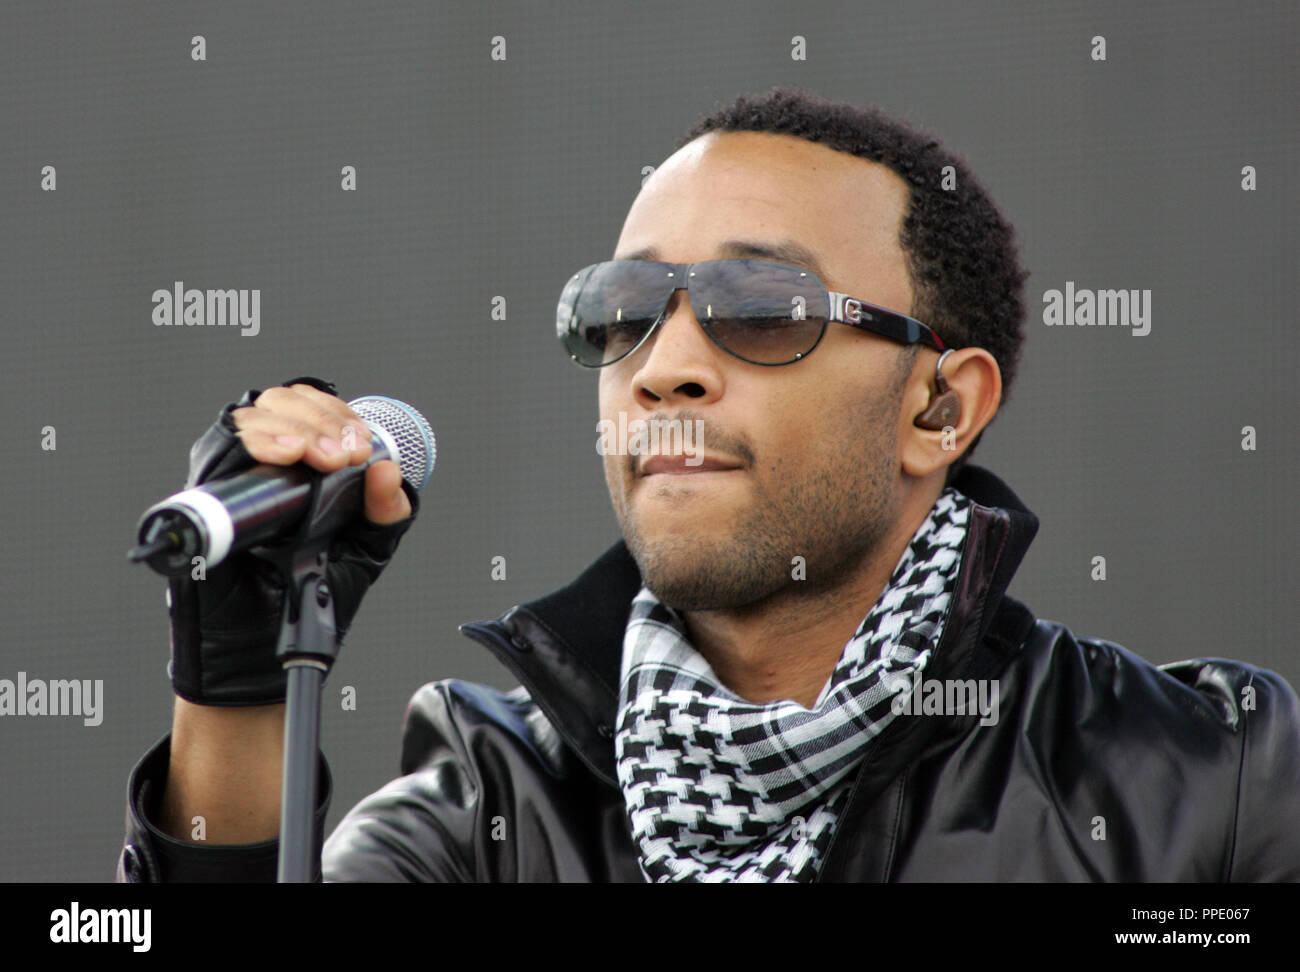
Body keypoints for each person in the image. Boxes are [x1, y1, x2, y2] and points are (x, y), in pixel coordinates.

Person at [117, 86, 1300, 882]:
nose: (665, 366)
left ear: (940, 406)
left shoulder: (1205, 780)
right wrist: (232, 699)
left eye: (762, 311)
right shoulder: (490, 806)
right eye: (624, 312)